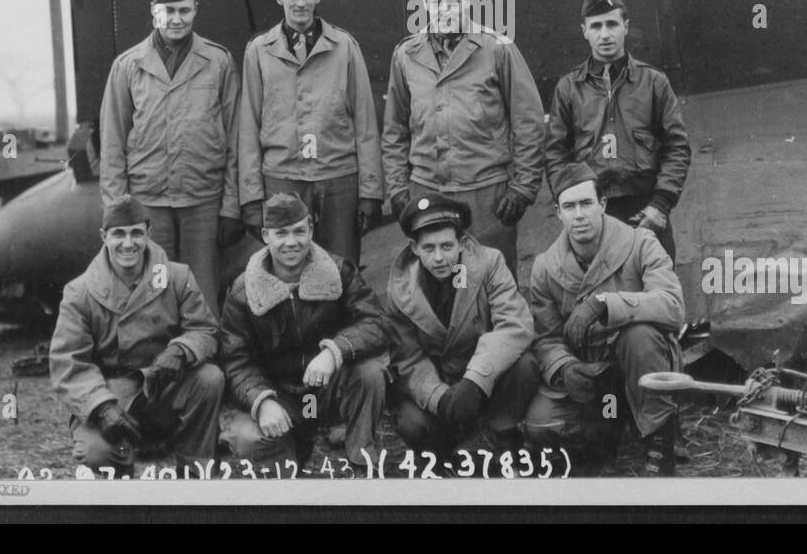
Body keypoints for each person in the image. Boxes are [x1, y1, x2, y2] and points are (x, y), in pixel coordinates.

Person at [381, 0, 544, 278]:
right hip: (428, 190)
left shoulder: (497, 49)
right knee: (437, 282)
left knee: (493, 282)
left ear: (469, 1)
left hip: (485, 194)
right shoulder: (406, 55)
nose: (446, 10)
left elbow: (529, 121)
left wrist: (523, 188)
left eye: (453, 2)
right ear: (426, 4)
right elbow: (394, 129)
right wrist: (398, 187)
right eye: (438, 2)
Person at [524, 163, 686, 475]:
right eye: (569, 207)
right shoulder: (545, 267)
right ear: (558, 213)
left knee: (638, 335)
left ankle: (657, 439)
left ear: (603, 204)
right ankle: (602, 432)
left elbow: (673, 306)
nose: (579, 215)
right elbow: (546, 337)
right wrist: (564, 366)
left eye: (586, 203)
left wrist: (605, 304)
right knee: (539, 425)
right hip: (591, 372)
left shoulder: (640, 243)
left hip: (638, 365)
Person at [48, 195, 223, 476]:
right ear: (104, 237)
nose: (128, 244)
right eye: (118, 234)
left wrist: (180, 350)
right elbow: (67, 362)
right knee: (96, 452)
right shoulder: (79, 292)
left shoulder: (177, 277)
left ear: (148, 234)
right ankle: (123, 492)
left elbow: (206, 330)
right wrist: (101, 407)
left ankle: (195, 473)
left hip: (163, 385)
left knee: (209, 377)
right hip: (111, 393)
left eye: (136, 234)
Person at [99, 0, 240, 314]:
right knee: (155, 295)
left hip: (202, 204)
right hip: (149, 206)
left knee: (202, 297)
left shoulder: (218, 62)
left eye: (184, 11)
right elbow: (112, 145)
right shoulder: (128, 66)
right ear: (153, 12)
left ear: (195, 10)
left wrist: (231, 205)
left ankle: (204, 362)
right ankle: (160, 367)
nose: (176, 19)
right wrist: (118, 210)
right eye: (168, 11)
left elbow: (237, 137)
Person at [218, 193, 390, 466]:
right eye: (281, 233)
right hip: (280, 395)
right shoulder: (242, 290)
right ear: (265, 235)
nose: (291, 242)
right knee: (245, 437)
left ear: (311, 229)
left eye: (299, 231)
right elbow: (235, 361)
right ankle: (291, 453)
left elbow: (377, 323)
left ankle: (360, 455)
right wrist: (262, 402)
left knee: (370, 372)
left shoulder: (339, 271)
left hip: (328, 390)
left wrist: (334, 351)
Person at [237, 0, 382, 264]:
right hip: (283, 177)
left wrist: (370, 191)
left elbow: (365, 123)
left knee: (341, 269)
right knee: (289, 268)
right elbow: (248, 127)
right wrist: (250, 196)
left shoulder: (344, 46)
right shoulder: (259, 52)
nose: (300, 2)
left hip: (338, 178)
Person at [385, 193, 540, 458]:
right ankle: (450, 444)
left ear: (461, 242)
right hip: (440, 380)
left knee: (525, 365)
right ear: (414, 248)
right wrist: (440, 398)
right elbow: (407, 358)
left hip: (487, 375)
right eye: (428, 248)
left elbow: (514, 324)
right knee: (412, 424)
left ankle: (503, 431)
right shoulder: (399, 289)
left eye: (447, 246)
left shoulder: (490, 263)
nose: (439, 258)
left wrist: (475, 380)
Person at [544, 0, 691, 261]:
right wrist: (572, 205)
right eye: (596, 26)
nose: (605, 34)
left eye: (612, 24)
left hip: (645, 209)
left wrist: (660, 205)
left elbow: (677, 148)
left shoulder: (654, 82)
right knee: (599, 297)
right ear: (584, 31)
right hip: (593, 213)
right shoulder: (568, 88)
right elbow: (555, 154)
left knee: (657, 296)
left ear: (626, 27)